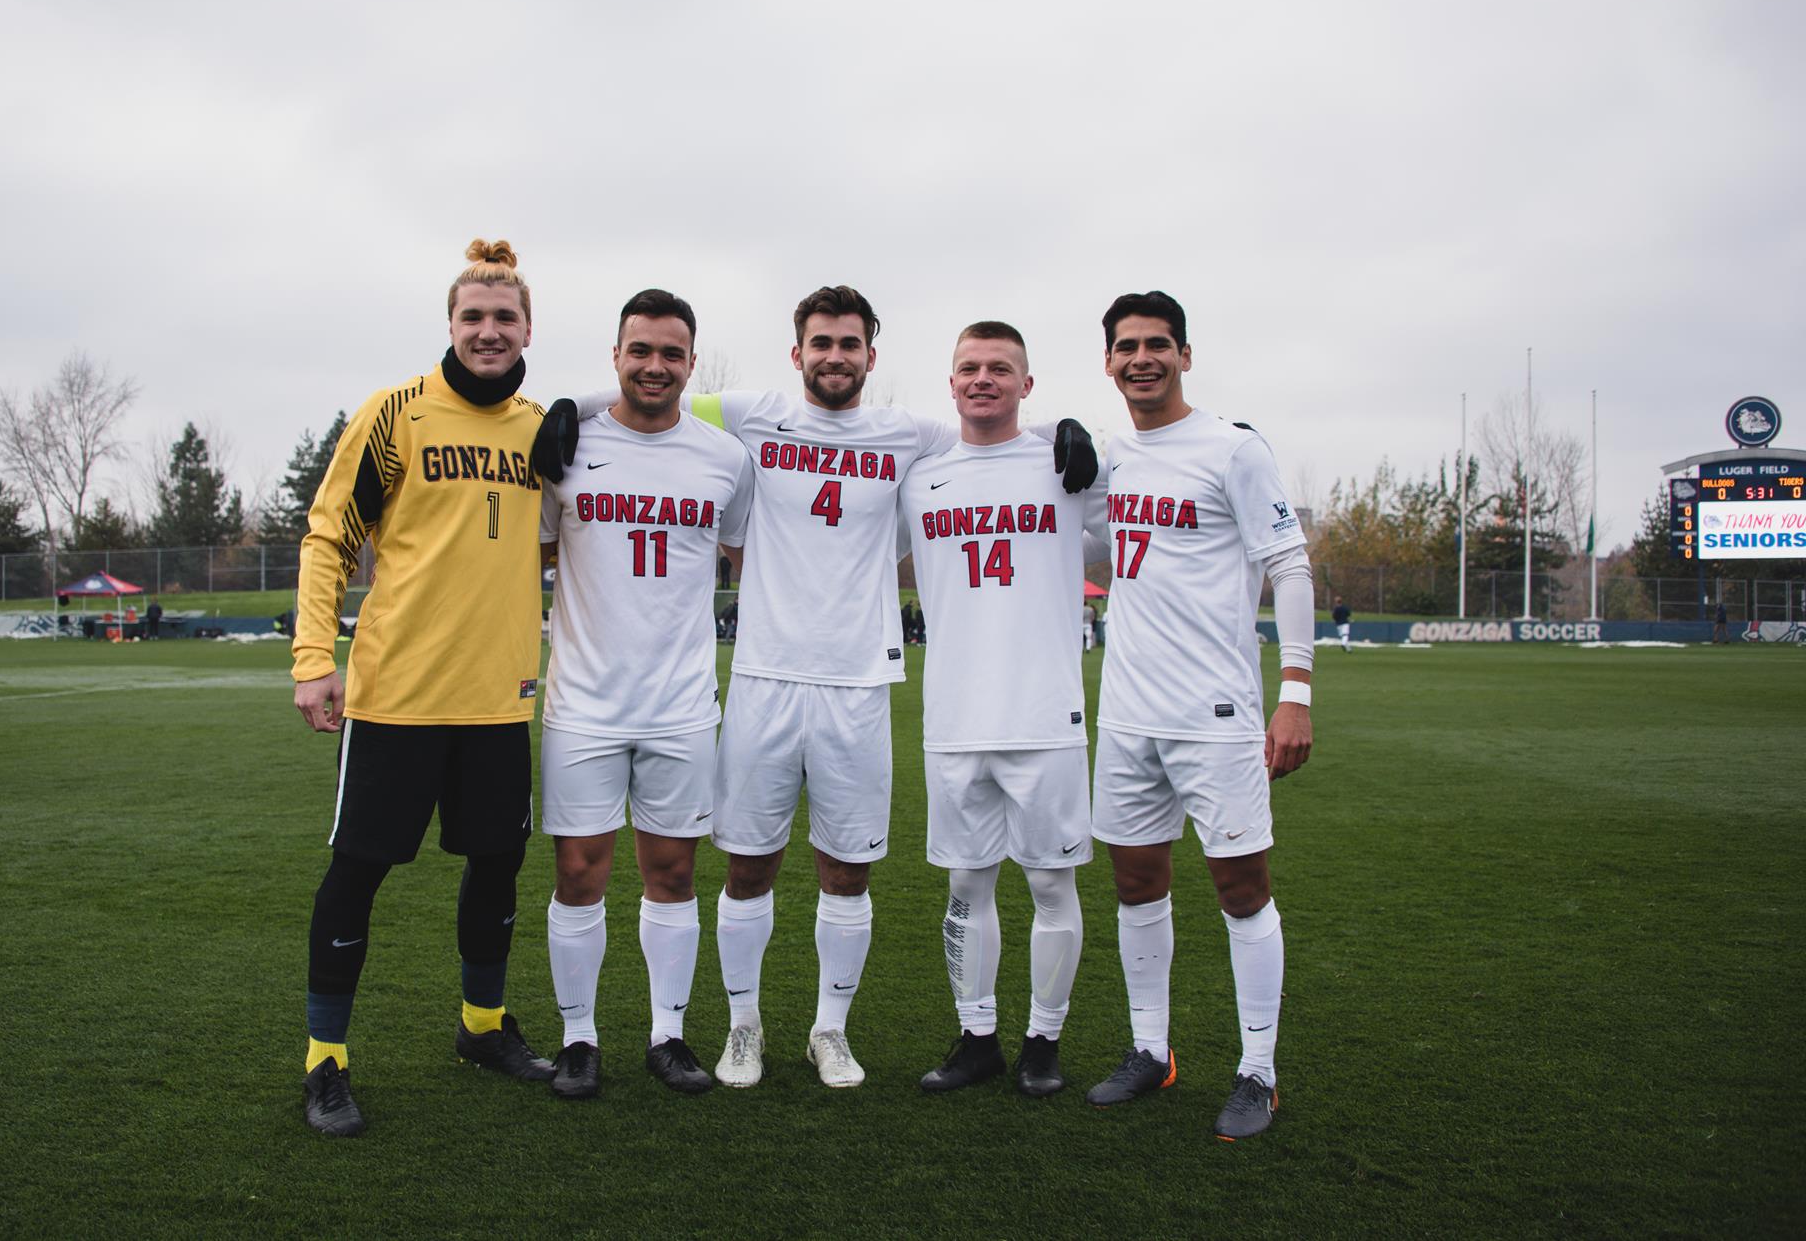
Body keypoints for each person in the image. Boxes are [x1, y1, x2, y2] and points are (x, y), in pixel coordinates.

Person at [534, 284, 1097, 1089]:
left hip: (860, 683)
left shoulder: (908, 433)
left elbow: (992, 421)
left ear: (872, 353)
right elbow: (660, 386)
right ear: (797, 353)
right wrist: (570, 403)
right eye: (821, 343)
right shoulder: (755, 416)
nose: (836, 356)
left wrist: (1061, 431)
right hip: (763, 677)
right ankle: (741, 1026)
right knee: (747, 867)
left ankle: (829, 1029)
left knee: (847, 869)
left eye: (851, 344)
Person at [290, 239, 556, 1137]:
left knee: (496, 863)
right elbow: (328, 535)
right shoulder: (396, 413)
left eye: (504, 318)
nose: (489, 331)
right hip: (397, 694)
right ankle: (326, 1059)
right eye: (473, 317)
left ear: (528, 329)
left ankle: (482, 1027)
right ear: (450, 323)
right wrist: (312, 657)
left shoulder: (542, 430)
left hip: (499, 698)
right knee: (359, 871)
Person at [1084, 290, 1314, 1142]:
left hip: (1216, 713)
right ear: (1107, 362)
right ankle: (1152, 1049)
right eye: (1126, 347)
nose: (1141, 358)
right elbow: (1097, 552)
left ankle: (1259, 1068)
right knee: (1136, 881)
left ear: (1185, 354)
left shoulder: (1233, 449)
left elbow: (1288, 565)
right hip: (1129, 713)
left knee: (1241, 887)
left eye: (1157, 344)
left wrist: (1296, 690)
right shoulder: (1111, 458)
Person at [537, 289, 754, 1100]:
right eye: (640, 350)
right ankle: (579, 1036)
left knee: (671, 872)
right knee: (579, 873)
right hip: (584, 703)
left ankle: (667, 1032)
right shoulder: (568, 445)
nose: (654, 365)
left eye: (671, 353)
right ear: (616, 355)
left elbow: (741, 558)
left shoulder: (724, 458)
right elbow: (529, 562)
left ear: (691, 363)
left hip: (682, 704)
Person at [900, 321, 1107, 1097]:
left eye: (1000, 368)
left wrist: (1067, 428)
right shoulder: (922, 477)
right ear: (949, 382)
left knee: (1053, 888)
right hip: (954, 716)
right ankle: (978, 1034)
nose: (982, 378)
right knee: (966, 887)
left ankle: (1043, 1041)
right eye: (968, 367)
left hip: (1045, 716)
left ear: (1028, 382)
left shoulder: (1069, 466)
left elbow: (1147, 494)